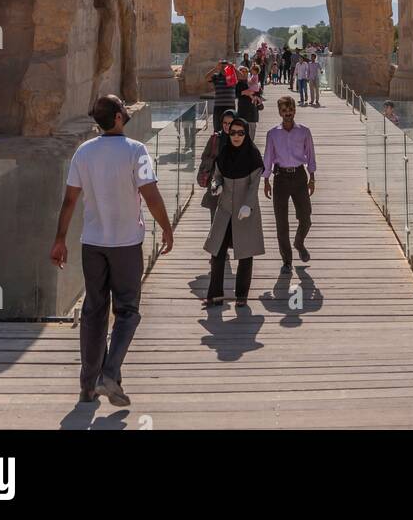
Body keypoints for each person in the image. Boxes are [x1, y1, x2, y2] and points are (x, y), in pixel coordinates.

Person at [51, 93, 174, 408]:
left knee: (94, 312)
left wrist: (60, 239)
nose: (124, 107)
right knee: (127, 311)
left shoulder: (84, 152)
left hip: (93, 242)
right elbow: (151, 195)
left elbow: (69, 201)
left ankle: (88, 386)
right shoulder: (136, 150)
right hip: (125, 243)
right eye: (122, 105)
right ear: (118, 117)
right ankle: (109, 372)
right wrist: (167, 228)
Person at [203, 116, 265, 306]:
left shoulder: (253, 156)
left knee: (245, 254)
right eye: (233, 133)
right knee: (217, 252)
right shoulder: (224, 154)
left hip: (245, 210)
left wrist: (248, 205)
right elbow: (217, 176)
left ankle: (241, 295)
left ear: (246, 134)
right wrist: (216, 185)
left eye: (241, 133)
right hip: (225, 210)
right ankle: (215, 295)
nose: (236, 137)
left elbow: (254, 186)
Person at [263, 95, 316, 274]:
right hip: (280, 177)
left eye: (290, 110)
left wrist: (312, 177)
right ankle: (286, 260)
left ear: (295, 110)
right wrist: (266, 180)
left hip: (300, 176)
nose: (288, 114)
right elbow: (268, 156)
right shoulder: (272, 133)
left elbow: (310, 155)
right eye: (284, 111)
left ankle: (299, 242)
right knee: (281, 222)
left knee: (306, 217)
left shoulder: (304, 131)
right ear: (279, 112)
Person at [198, 109, 235, 221]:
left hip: (233, 185)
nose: (227, 126)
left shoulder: (240, 138)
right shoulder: (215, 138)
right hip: (215, 182)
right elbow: (205, 157)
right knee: (215, 220)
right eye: (225, 123)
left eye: (230, 123)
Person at [205, 58, 236, 132]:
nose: (223, 67)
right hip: (218, 106)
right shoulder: (216, 76)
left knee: (231, 127)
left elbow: (242, 77)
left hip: (230, 105)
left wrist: (233, 68)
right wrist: (215, 68)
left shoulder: (232, 75)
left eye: (225, 65)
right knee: (217, 127)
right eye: (222, 65)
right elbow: (206, 78)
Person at [235, 65, 262, 141]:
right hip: (242, 112)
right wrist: (243, 92)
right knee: (242, 135)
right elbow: (234, 94)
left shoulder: (253, 82)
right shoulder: (237, 83)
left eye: (245, 71)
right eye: (242, 71)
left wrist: (257, 98)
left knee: (251, 137)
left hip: (252, 112)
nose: (244, 73)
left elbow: (259, 95)